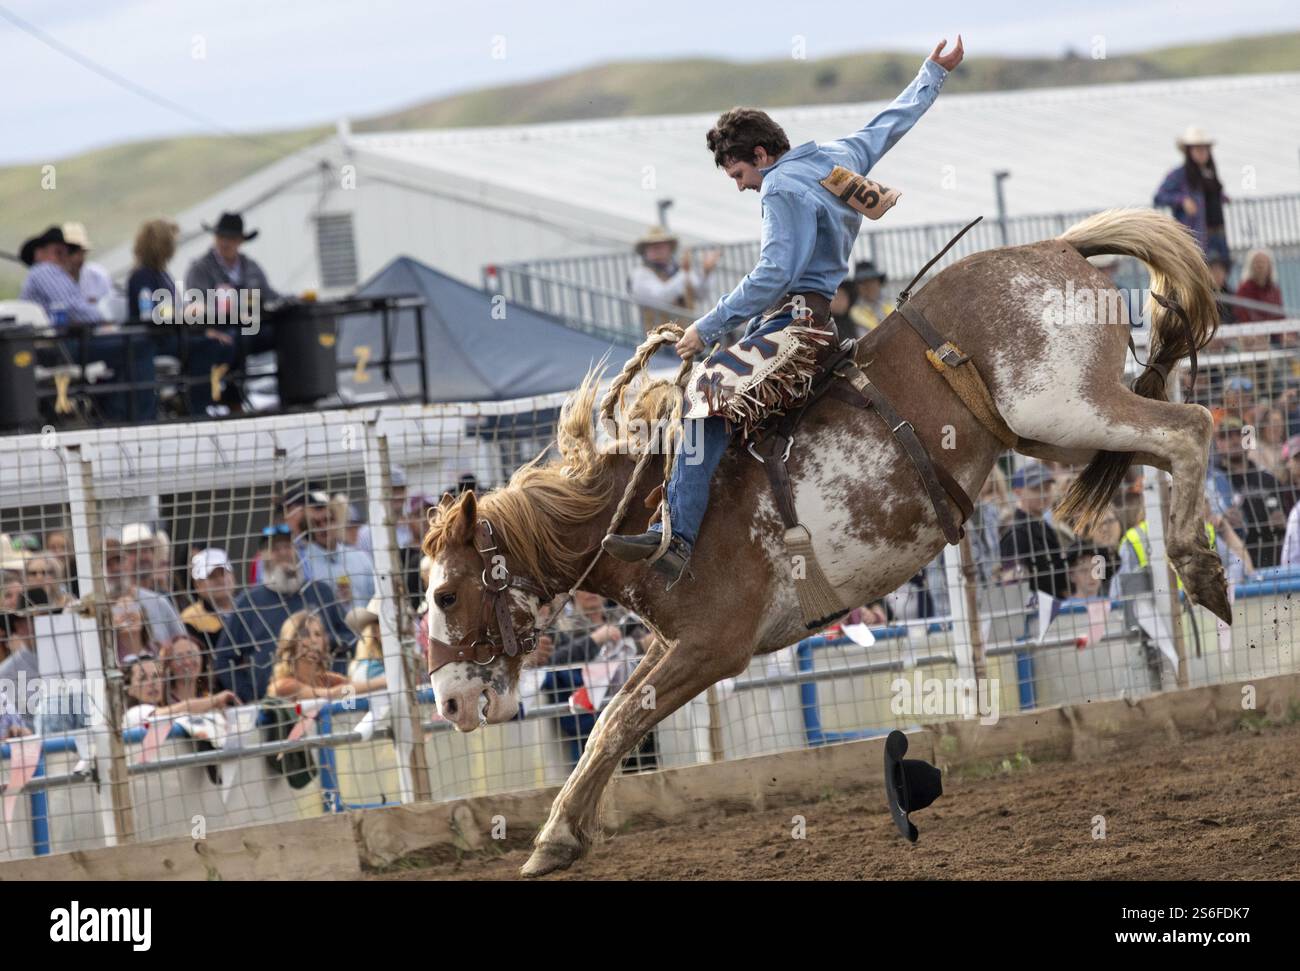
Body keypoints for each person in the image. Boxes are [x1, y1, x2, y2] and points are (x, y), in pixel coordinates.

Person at [604, 36, 963, 571]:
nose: (742, 187)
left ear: (761, 156)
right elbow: (892, 123)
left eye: (740, 175)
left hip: (793, 325)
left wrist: (707, 325)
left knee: (704, 396)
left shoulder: (780, 188)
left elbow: (775, 273)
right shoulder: (839, 158)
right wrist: (933, 71)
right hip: (814, 318)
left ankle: (675, 539)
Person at [18, 225, 157, 421]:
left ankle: (117, 413)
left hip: (61, 345)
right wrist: (107, 320)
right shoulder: (45, 271)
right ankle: (135, 417)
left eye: (67, 252)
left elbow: (76, 309)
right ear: (39, 254)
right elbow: (78, 310)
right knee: (139, 344)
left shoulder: (52, 274)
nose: (65, 257)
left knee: (130, 346)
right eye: (59, 252)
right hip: (59, 348)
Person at [213, 524, 353, 702]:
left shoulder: (321, 592)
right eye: (275, 549)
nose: (283, 553)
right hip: (277, 707)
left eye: (288, 546)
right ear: (263, 556)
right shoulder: (249, 603)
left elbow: (350, 640)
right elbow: (224, 659)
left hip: (328, 698)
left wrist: (328, 645)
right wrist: (252, 696)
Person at [127, 218, 237, 414]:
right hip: (157, 339)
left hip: (173, 333)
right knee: (209, 346)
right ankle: (196, 407)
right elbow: (151, 314)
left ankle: (211, 399)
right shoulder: (142, 277)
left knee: (224, 342)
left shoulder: (162, 275)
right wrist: (184, 314)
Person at [184, 212, 279, 360]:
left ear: (240, 241)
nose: (225, 243)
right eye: (222, 237)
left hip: (251, 330)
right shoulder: (200, 269)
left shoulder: (251, 267)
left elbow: (270, 295)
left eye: (231, 238)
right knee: (233, 339)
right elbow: (197, 308)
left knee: (285, 331)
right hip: (219, 332)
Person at [1212, 416, 1289, 568]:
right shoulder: (1213, 482)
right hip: (1234, 564)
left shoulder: (1268, 479)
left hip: (1274, 561)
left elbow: (1290, 516)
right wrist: (1223, 520)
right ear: (1218, 444)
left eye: (1239, 434)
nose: (1234, 440)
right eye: (1226, 436)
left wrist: (1283, 521)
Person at [1153, 126, 1228, 263]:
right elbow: (1159, 196)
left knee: (1218, 276)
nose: (1202, 152)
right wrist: (1182, 200)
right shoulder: (1179, 175)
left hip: (1217, 236)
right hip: (1195, 239)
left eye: (1205, 148)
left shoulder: (1210, 174)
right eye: (1198, 149)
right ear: (1189, 151)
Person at [998, 462, 1071, 600]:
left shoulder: (1045, 527)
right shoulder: (1016, 534)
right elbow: (1014, 590)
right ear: (1018, 492)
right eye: (1036, 489)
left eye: (1047, 487)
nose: (1044, 494)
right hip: (1034, 613)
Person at [627, 226, 719, 332]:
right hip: (659, 338)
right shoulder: (640, 274)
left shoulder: (679, 270)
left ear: (669, 248)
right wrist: (684, 273)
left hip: (687, 334)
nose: (658, 249)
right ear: (645, 251)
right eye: (653, 246)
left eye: (662, 246)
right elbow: (661, 298)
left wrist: (707, 274)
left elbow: (701, 295)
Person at [299, 489, 376, 612]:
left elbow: (377, 597)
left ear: (338, 521)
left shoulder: (360, 557)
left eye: (329, 520)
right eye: (316, 523)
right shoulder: (303, 565)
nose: (324, 527)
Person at [122, 654, 238, 729]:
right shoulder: (134, 713)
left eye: (156, 676)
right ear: (129, 689)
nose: (152, 683)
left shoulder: (167, 708)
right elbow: (176, 710)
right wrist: (216, 699)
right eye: (143, 679)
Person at [265, 611, 357, 701]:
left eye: (318, 634)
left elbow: (355, 687)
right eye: (305, 634)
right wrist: (370, 685)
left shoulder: (327, 679)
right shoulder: (282, 685)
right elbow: (332, 693)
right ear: (291, 640)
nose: (313, 640)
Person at [180, 547, 238, 661]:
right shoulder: (190, 619)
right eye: (211, 576)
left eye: (223, 573)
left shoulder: (249, 607)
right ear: (197, 585)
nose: (220, 580)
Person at [61, 223, 113, 316]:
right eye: (72, 251)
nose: (76, 257)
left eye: (80, 252)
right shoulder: (54, 280)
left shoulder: (98, 276)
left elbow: (109, 311)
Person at [846, 261, 894, 335]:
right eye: (864, 282)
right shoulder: (853, 314)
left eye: (872, 281)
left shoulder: (891, 306)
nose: (869, 287)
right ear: (857, 287)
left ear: (878, 283)